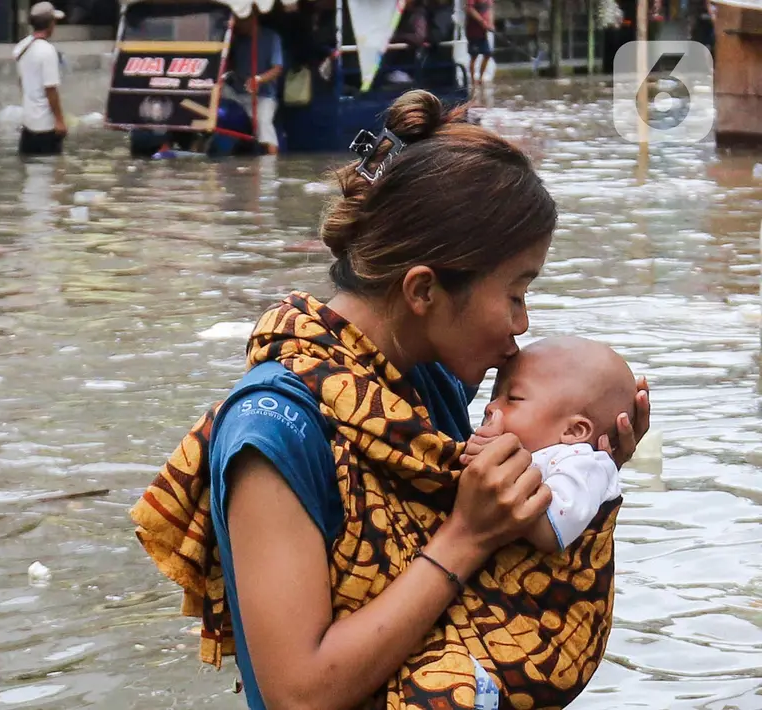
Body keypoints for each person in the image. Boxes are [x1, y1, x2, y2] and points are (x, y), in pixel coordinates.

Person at [130, 90, 651, 710]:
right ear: (424, 289)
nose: (522, 323)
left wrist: (582, 463)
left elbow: (532, 478)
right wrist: (466, 535)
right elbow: (298, 693)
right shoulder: (274, 437)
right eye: (514, 293)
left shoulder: (420, 379)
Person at [467, 337, 636, 553]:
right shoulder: (535, 453)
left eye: (513, 398)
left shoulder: (585, 464)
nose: (490, 407)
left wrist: (490, 472)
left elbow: (552, 530)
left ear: (574, 431)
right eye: (494, 395)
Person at [14, 2, 68, 156]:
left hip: (28, 123)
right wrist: (59, 120)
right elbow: (50, 89)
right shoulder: (47, 51)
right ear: (51, 24)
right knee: (51, 172)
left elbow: (21, 82)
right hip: (46, 127)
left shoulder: (21, 47)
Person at [226, 14, 284, 155]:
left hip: (263, 96)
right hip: (237, 94)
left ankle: (271, 167)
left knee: (264, 125)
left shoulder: (271, 38)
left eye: (241, 20)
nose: (238, 23)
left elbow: (277, 68)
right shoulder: (236, 39)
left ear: (252, 18)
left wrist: (258, 79)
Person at [466, 0, 493, 90]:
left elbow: (490, 9)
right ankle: (473, 80)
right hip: (473, 32)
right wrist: (482, 21)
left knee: (488, 54)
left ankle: (481, 78)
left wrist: (490, 23)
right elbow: (470, 9)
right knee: (474, 56)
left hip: (483, 33)